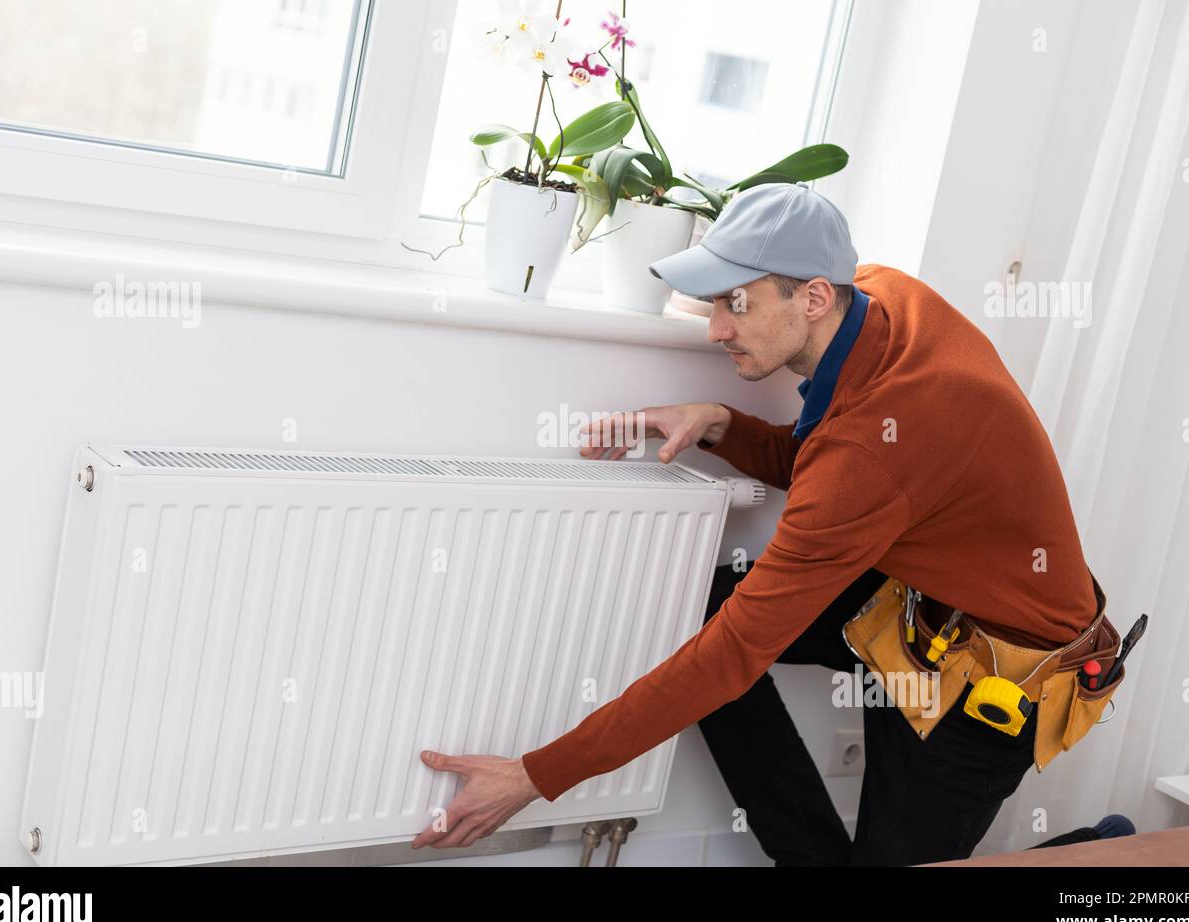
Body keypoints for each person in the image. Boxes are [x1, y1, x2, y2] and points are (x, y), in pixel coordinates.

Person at [411, 182, 1124, 864]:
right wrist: (720, 423)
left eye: (737, 304)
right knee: (710, 609)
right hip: (916, 611)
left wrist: (535, 776)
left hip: (1000, 679)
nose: (718, 328)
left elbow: (832, 509)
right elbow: (837, 472)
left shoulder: (879, 444)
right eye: (715, 300)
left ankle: (1104, 852)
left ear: (813, 297)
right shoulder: (876, 295)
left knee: (724, 650)